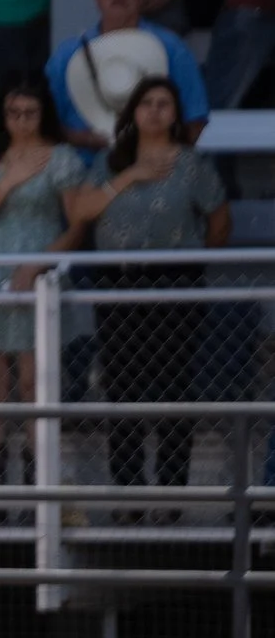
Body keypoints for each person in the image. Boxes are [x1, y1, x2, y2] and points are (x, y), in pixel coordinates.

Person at [66, 76, 230, 504]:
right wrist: (130, 175)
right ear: (133, 112)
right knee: (122, 385)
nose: (155, 111)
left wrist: (193, 261)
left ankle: (173, 494)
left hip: (176, 280)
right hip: (118, 281)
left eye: (164, 104)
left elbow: (219, 220)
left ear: (175, 114)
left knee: (174, 385)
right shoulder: (110, 161)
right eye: (147, 103)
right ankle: (129, 494)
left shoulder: (192, 164)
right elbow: (81, 210)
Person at [0, 74, 86, 486]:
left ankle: (36, 489)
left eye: (30, 113)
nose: (22, 121)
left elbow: (78, 226)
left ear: (44, 114)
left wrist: (39, 265)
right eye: (13, 113)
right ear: (1, 116)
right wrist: (8, 181)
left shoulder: (62, 159)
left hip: (39, 282)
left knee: (34, 386)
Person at [52, 0, 209, 148]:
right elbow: (44, 120)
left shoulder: (171, 48)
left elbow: (194, 120)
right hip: (81, 161)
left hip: (155, 161)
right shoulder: (68, 54)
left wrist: (160, 156)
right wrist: (82, 139)